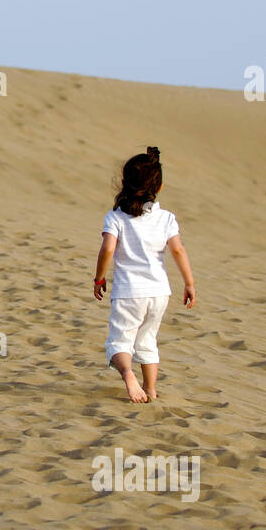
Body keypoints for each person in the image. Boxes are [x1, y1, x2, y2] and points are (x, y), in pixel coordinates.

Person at [92, 147, 196, 402]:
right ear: (158, 188)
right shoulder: (166, 218)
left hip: (129, 293)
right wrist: (189, 283)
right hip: (159, 293)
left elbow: (107, 249)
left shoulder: (115, 217)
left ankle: (128, 374)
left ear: (125, 183)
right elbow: (178, 250)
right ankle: (150, 390)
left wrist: (99, 279)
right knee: (148, 341)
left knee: (119, 342)